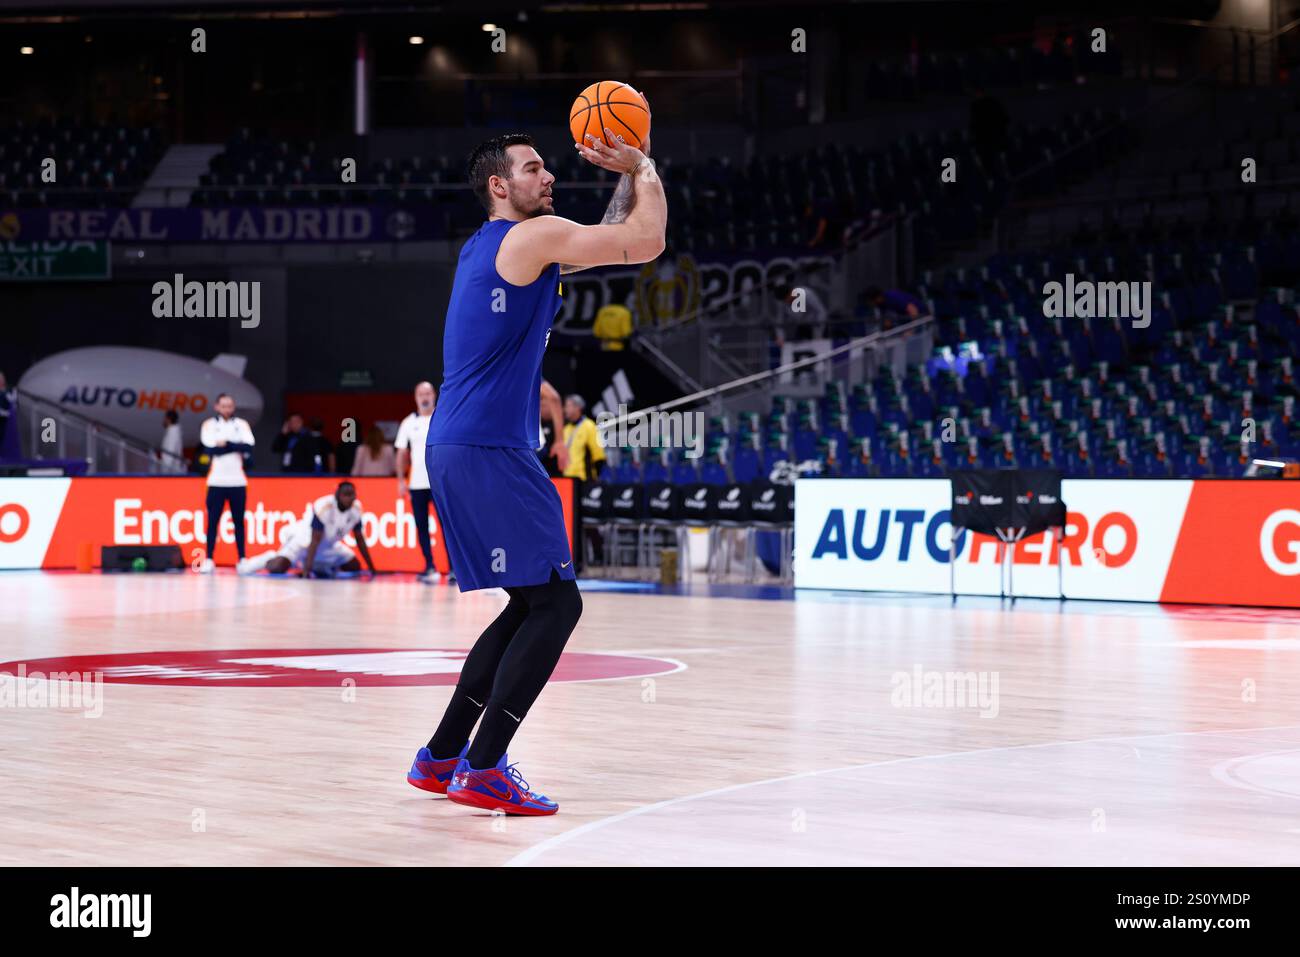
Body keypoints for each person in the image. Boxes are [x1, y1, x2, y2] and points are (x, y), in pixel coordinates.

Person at [407, 128, 665, 815]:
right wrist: (641, 163)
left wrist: (622, 181)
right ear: (499, 184)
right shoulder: (531, 237)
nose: (547, 174)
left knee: (527, 602)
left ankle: (441, 756)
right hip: (490, 447)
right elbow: (646, 241)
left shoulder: (493, 245)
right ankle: (485, 766)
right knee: (558, 603)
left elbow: (607, 232)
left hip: (461, 445)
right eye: (533, 167)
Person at [239, 481, 376, 578]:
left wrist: (371, 568)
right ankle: (268, 558)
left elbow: (360, 539)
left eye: (352, 494)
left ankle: (318, 566)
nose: (349, 498)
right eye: (346, 495)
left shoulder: (356, 509)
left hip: (328, 546)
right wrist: (306, 572)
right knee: (277, 567)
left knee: (354, 565)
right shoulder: (325, 506)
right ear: (338, 495)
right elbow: (314, 540)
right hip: (304, 542)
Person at [197, 393, 254, 573]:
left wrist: (226, 444)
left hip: (238, 481)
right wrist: (234, 446)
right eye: (223, 405)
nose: (227, 409)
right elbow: (209, 448)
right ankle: (209, 558)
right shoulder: (209, 425)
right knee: (213, 521)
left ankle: (242, 558)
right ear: (217, 407)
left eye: (230, 405)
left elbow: (249, 446)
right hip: (216, 482)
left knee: (238, 521)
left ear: (233, 407)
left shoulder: (241, 424)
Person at [394, 381, 440, 584]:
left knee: (448, 527)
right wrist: (401, 480)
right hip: (417, 484)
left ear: (434, 395)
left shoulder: (443, 417)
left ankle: (456, 570)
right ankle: (429, 566)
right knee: (421, 526)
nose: (425, 396)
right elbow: (401, 453)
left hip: (440, 483)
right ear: (415, 396)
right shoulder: (407, 423)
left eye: (428, 393)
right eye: (421, 393)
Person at [560, 394, 605, 482]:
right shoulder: (565, 429)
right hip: (567, 479)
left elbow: (598, 456)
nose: (565, 409)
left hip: (584, 479)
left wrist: (594, 480)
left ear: (578, 408)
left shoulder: (589, 426)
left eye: (568, 406)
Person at [158, 409, 185, 474]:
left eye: (165, 418)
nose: (163, 420)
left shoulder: (173, 433)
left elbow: (170, 453)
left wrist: (165, 471)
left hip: (171, 471)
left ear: (169, 419)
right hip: (172, 469)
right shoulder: (173, 432)